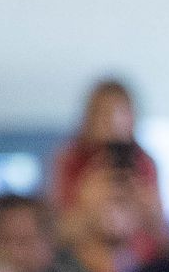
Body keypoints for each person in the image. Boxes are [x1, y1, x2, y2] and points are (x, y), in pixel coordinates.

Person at [48, 77, 160, 215]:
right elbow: (58, 221)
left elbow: (160, 227)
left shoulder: (144, 163)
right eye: (104, 112)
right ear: (90, 116)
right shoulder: (70, 161)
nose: (112, 120)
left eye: (120, 112)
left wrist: (144, 202)